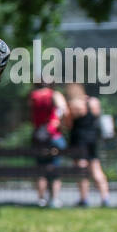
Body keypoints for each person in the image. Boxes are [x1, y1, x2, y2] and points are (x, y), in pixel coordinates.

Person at [63, 82, 111, 207]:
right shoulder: (94, 102)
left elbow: (68, 125)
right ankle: (105, 198)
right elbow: (97, 118)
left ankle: (84, 199)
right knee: (96, 169)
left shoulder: (72, 105)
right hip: (93, 139)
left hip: (79, 140)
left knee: (82, 170)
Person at [29, 77, 68, 207]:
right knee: (54, 168)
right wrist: (57, 119)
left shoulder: (33, 96)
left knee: (41, 169)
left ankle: (41, 199)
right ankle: (54, 199)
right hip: (53, 136)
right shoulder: (54, 94)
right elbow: (63, 109)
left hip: (38, 137)